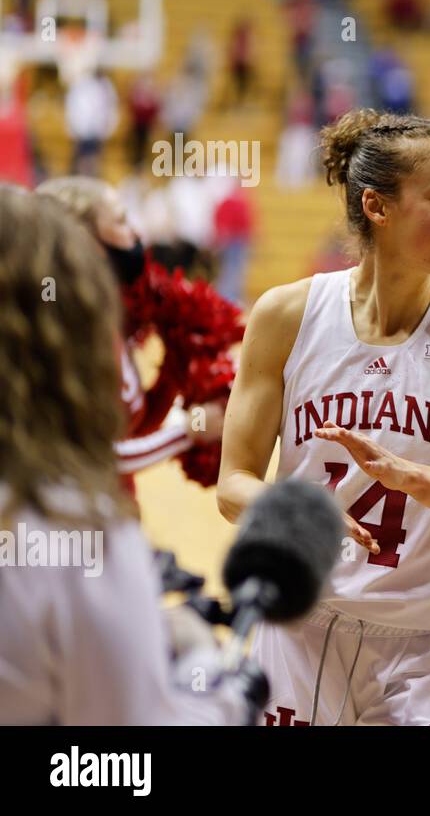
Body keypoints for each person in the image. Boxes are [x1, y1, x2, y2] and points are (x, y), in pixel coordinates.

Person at [216, 110, 430, 726]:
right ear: (377, 206)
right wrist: (302, 515)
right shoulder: (287, 315)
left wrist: (413, 478)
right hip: (302, 630)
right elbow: (233, 483)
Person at [0, 187, 252, 724]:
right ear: (79, 245)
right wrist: (221, 689)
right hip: (88, 520)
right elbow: (123, 740)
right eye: (120, 219)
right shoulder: (64, 525)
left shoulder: (115, 323)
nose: (136, 232)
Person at [35, 177, 224, 491]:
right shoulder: (59, 329)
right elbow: (93, 456)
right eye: (121, 220)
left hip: (109, 515)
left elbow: (131, 427)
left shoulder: (103, 318)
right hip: (64, 526)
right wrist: (188, 431)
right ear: (84, 241)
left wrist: (175, 366)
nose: (136, 234)